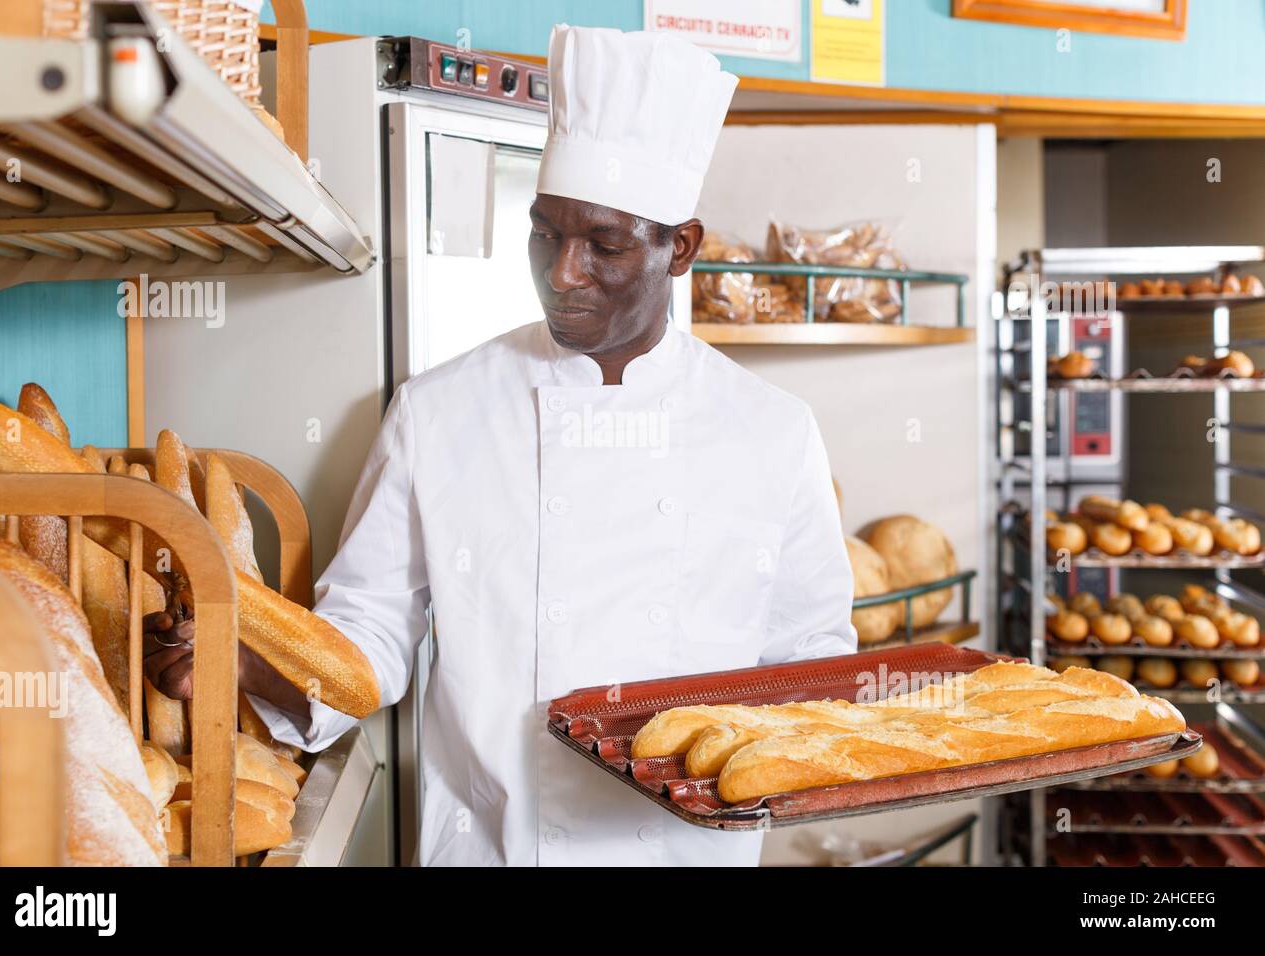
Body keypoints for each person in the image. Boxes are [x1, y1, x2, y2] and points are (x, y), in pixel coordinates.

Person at [144, 24, 855, 866]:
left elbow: (810, 667)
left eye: (606, 245)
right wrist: (240, 668)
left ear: (682, 249)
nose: (563, 272)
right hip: (491, 847)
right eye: (546, 233)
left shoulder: (771, 431)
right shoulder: (442, 411)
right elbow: (368, 631)